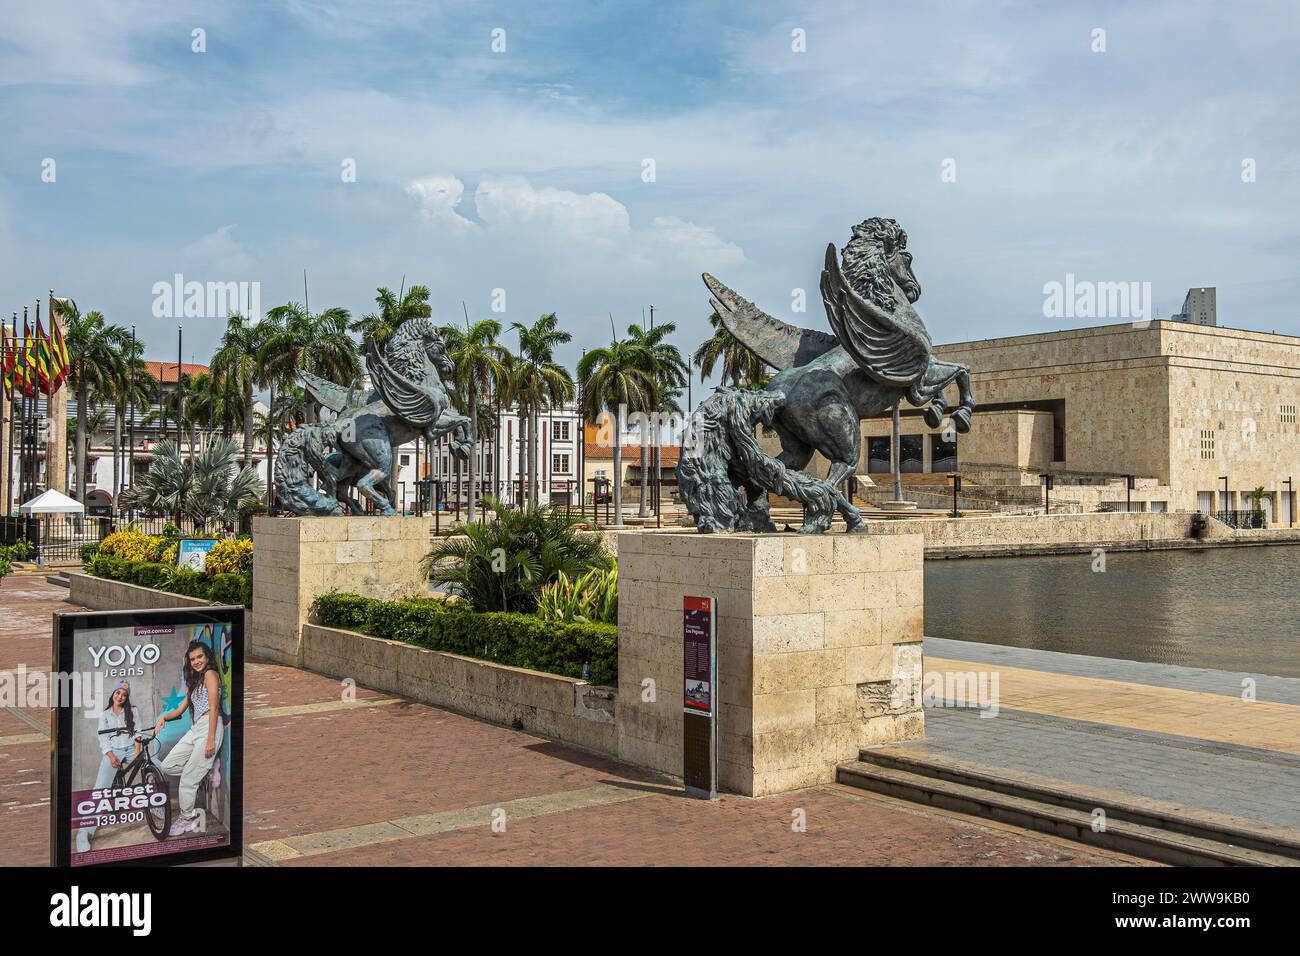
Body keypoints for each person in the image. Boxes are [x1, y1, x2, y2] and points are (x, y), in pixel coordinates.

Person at [155, 640, 223, 837]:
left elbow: (214, 707)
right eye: (192, 659)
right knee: (167, 765)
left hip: (209, 728)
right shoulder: (194, 682)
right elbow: (179, 709)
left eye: (200, 657)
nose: (196, 661)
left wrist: (210, 739)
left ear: (207, 657)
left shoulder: (211, 675)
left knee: (187, 780)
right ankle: (200, 771)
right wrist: (163, 719)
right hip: (195, 731)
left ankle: (186, 818)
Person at [76, 680, 142, 853]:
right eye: (118, 693)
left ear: (127, 697)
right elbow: (103, 740)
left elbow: (138, 732)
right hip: (113, 751)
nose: (120, 696)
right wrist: (112, 757)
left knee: (153, 763)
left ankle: (158, 807)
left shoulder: (132, 711)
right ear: (113, 694)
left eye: (124, 695)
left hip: (130, 749)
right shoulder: (104, 715)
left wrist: (137, 751)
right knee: (100, 789)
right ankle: (84, 832)